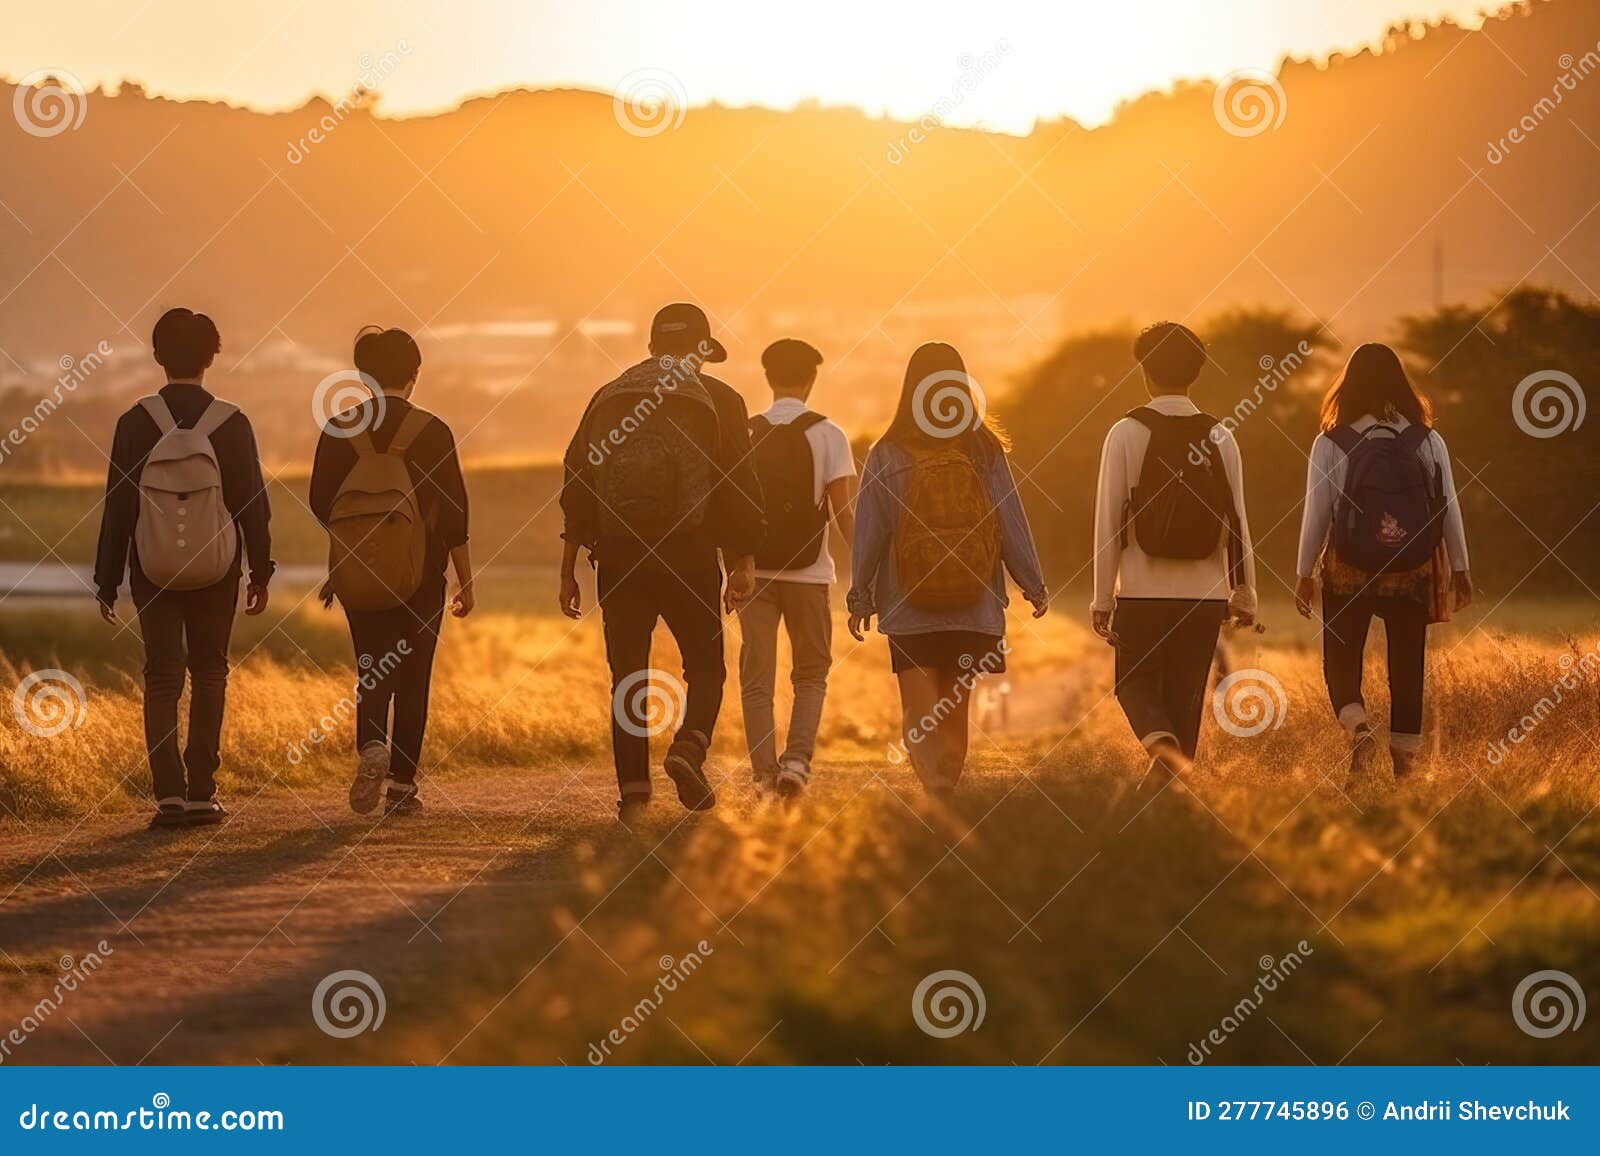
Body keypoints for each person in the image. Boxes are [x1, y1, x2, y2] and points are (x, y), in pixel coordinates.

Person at [559, 303, 765, 822]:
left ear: (652, 347)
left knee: (628, 675)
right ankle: (689, 748)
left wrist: (568, 567)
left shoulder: (609, 397)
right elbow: (737, 486)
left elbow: (577, 484)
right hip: (689, 555)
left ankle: (633, 796)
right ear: (702, 351)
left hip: (621, 556)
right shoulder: (720, 400)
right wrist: (742, 559)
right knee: (706, 667)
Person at [94, 308, 273, 828]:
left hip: (152, 567)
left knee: (163, 675)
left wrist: (107, 579)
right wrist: (261, 571)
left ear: (157, 356)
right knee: (210, 672)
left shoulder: (135, 422)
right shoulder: (232, 423)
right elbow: (251, 503)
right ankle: (202, 793)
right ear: (212, 356)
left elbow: (118, 505)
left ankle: (167, 795)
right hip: (218, 569)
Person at [847, 342, 1047, 794]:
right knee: (955, 712)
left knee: (919, 714)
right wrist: (1032, 583)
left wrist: (861, 594)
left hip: (908, 606)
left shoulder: (888, 451)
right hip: (973, 604)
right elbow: (1010, 519)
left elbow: (871, 531)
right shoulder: (983, 448)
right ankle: (945, 796)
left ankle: (934, 798)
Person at [310, 327, 473, 817]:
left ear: (363, 376)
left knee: (371, 666)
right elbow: (455, 514)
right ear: (415, 373)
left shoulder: (339, 429)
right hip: (422, 574)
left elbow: (322, 501)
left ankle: (370, 745)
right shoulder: (433, 430)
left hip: (359, 572)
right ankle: (403, 786)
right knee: (414, 676)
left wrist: (361, 540)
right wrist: (465, 578)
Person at [1294, 342, 1471, 781]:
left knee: (1340, 659)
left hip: (1347, 570)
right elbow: (1448, 506)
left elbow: (1317, 513)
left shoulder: (1330, 441)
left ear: (1348, 385)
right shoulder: (1427, 440)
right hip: (1411, 571)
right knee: (1407, 664)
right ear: (1400, 383)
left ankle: (1358, 728)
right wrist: (1461, 569)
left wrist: (1303, 574)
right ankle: (1405, 764)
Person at [1092, 322, 1257, 782]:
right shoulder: (1222, 435)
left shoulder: (1125, 432)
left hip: (1141, 592)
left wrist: (1102, 598)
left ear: (1145, 371)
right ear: (1196, 373)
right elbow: (1238, 522)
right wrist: (1244, 594)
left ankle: (1160, 756)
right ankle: (1168, 794)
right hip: (1203, 595)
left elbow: (1107, 522)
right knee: (1186, 702)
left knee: (1133, 686)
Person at [738, 339, 857, 800]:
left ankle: (764, 778)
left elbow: (731, 511)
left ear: (768, 379)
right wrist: (867, 571)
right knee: (810, 675)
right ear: (811, 380)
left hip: (755, 574)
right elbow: (844, 514)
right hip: (809, 574)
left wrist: (735, 567)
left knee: (757, 680)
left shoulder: (745, 434)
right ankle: (796, 763)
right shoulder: (830, 434)